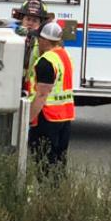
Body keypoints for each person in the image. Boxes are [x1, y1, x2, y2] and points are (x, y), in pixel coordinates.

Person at [28, 21, 75, 170]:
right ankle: (58, 192)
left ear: (44, 40)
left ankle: (46, 191)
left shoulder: (46, 62)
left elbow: (42, 94)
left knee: (44, 162)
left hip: (47, 117)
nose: (37, 42)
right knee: (59, 162)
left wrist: (28, 118)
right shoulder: (64, 55)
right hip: (65, 116)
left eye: (38, 39)